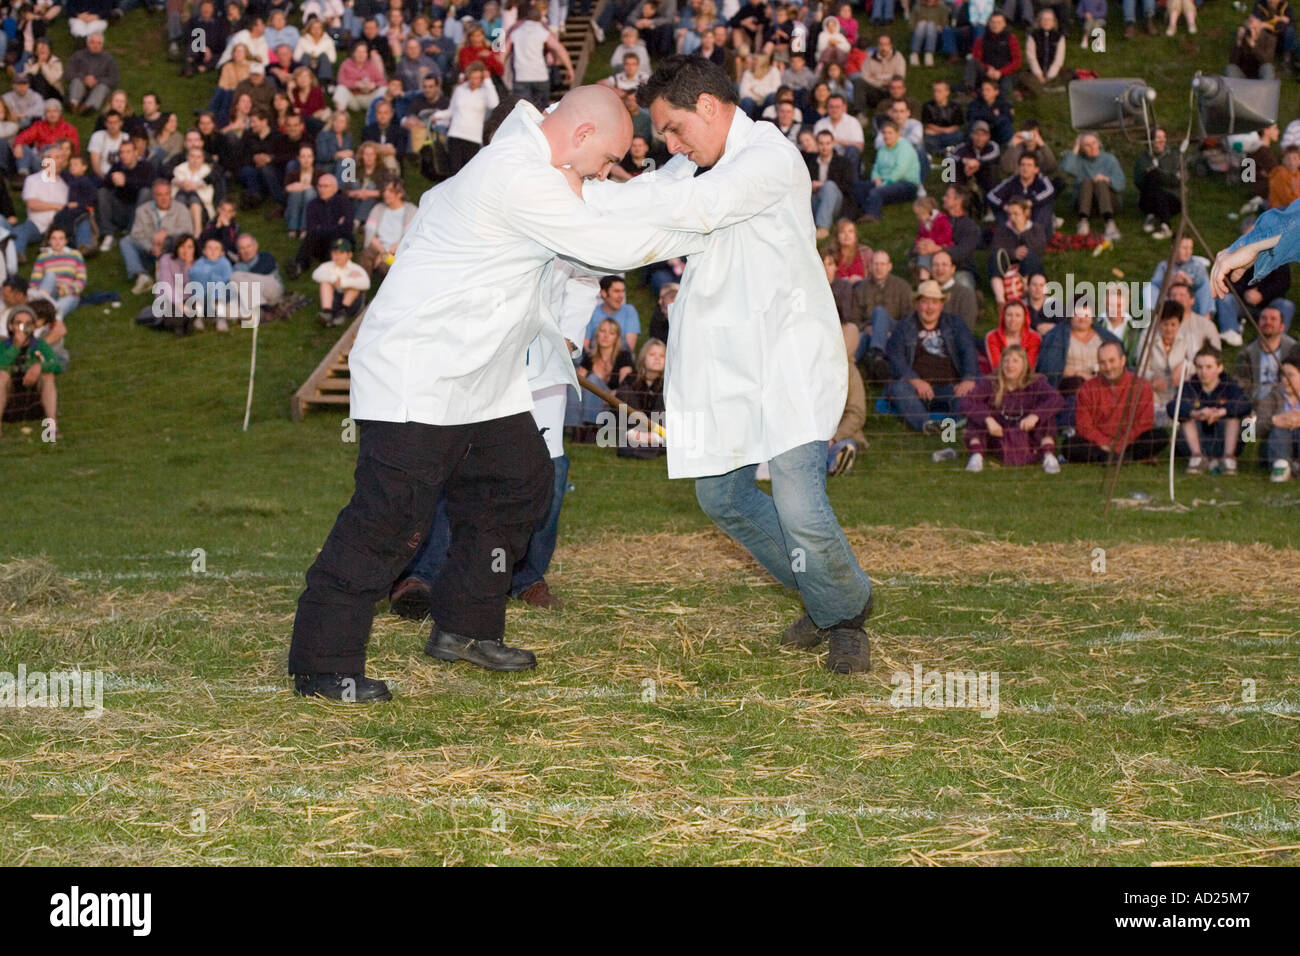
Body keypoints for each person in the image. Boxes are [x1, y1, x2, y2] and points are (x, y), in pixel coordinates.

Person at [289, 86, 705, 701]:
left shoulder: (534, 165)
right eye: (610, 157)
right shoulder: (515, 176)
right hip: (421, 373)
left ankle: (465, 626)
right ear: (584, 136)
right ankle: (323, 662)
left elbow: (601, 205)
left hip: (483, 378)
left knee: (519, 480)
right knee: (391, 516)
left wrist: (678, 177)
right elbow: (610, 244)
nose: (608, 172)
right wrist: (708, 211)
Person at [580, 56, 876, 673]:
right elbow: (653, 198)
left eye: (672, 129)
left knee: (797, 500)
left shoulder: (768, 159)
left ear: (709, 108)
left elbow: (693, 209)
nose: (668, 144)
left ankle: (845, 611)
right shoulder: (696, 163)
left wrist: (624, 194)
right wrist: (595, 187)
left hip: (786, 362)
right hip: (725, 368)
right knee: (722, 496)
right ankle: (821, 592)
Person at [885, 280, 980, 432]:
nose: (930, 308)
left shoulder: (955, 323)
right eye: (925, 302)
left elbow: (968, 350)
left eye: (935, 302)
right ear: (917, 304)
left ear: (941, 305)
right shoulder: (904, 327)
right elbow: (896, 358)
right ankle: (926, 425)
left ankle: (956, 424)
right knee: (897, 388)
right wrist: (916, 381)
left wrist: (968, 379)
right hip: (918, 392)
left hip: (952, 388)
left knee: (977, 385)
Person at [960, 344, 1063, 472]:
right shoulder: (990, 382)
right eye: (1006, 361)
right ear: (1001, 364)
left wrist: (1035, 416)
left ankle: (1048, 456)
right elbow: (966, 402)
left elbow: (1056, 399)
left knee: (1046, 417)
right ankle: (976, 456)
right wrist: (988, 419)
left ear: (1024, 364)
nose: (1010, 365)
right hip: (997, 432)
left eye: (1015, 361)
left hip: (1026, 432)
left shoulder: (1036, 382)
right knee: (977, 416)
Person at [1062, 340, 1166, 463]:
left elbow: (1144, 424)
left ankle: (1113, 457)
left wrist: (1119, 445)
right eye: (1102, 363)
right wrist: (1105, 443)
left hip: (1130, 442)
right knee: (1069, 445)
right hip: (1099, 445)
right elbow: (1084, 427)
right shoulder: (1087, 388)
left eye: (1112, 361)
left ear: (1122, 360)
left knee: (1159, 436)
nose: (1108, 367)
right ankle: (1125, 458)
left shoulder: (1142, 386)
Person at [1170, 346, 1251, 475]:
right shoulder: (1188, 386)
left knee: (1244, 419)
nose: (1203, 372)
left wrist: (1222, 412)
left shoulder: (1231, 386)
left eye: (1209, 367)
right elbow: (1172, 406)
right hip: (1197, 439)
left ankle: (1229, 459)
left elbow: (1246, 404)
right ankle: (1197, 458)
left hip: (1226, 438)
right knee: (1184, 414)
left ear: (1219, 368)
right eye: (1200, 367)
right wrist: (1196, 413)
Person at [122, 180, 194, 296]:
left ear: (171, 194)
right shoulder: (143, 210)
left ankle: (173, 276)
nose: (164, 198)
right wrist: (151, 247)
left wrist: (166, 233)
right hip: (150, 251)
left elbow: (188, 232)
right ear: (153, 196)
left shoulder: (181, 209)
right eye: (159, 195)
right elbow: (137, 234)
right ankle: (142, 276)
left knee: (179, 240)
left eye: (166, 194)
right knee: (126, 241)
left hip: (171, 252)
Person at [0, 305, 61, 437]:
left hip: (33, 401)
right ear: (10, 327)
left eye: (28, 323)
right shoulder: (3, 346)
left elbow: (57, 365)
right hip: (8, 402)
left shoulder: (40, 345)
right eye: (19, 323)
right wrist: (16, 347)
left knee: (48, 376)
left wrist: (40, 367)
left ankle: (52, 428)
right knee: (2, 376)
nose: (24, 327)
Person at [1061, 132, 1125, 241]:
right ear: (1082, 148)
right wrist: (1076, 147)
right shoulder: (1079, 159)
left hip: (1108, 203)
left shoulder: (1109, 159)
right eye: (1087, 145)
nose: (1092, 147)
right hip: (1085, 204)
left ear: (1098, 144)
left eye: (1094, 143)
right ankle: (1083, 221)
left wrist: (1107, 179)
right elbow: (1066, 168)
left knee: (1100, 182)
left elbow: (1121, 184)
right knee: (1087, 182)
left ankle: (1109, 222)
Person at [1257, 348, 1300, 480]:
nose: (1285, 380)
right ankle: (1281, 467)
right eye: (1283, 375)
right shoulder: (1269, 398)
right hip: (1274, 448)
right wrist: (1274, 421)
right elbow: (1248, 433)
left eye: (1290, 375)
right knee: (1280, 429)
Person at [311, 236, 371, 327]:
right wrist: (333, 278)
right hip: (335, 300)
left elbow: (366, 283)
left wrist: (344, 282)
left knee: (354, 284)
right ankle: (327, 312)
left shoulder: (355, 268)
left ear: (349, 255)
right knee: (325, 284)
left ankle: (343, 313)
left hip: (352, 303)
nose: (337, 256)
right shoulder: (328, 266)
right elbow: (316, 274)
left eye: (341, 253)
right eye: (335, 253)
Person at [28, 227, 84, 319]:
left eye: (61, 238)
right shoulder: (43, 257)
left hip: (69, 293)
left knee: (58, 310)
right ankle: (41, 306)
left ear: (66, 241)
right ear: (49, 241)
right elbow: (35, 281)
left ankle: (43, 316)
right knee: (50, 275)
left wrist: (66, 290)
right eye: (54, 238)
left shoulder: (75, 255)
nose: (57, 242)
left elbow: (81, 280)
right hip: (49, 292)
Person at [985, 298, 1040, 369]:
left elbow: (1029, 368)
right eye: (1009, 315)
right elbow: (996, 367)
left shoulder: (1034, 338)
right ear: (1003, 317)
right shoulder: (992, 336)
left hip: (1026, 378)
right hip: (999, 377)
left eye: (1018, 315)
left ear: (1024, 319)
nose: (1013, 320)